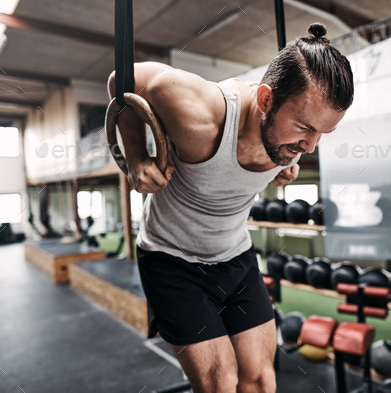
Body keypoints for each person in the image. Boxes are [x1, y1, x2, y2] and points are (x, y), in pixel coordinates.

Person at [108, 22, 353, 393]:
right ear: (266, 100)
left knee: (260, 379)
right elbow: (120, 80)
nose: (311, 145)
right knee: (221, 382)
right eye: (304, 128)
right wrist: (138, 156)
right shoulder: (199, 111)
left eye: (321, 133)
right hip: (172, 261)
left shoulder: (285, 140)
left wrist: (286, 158)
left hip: (235, 258)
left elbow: (287, 144)